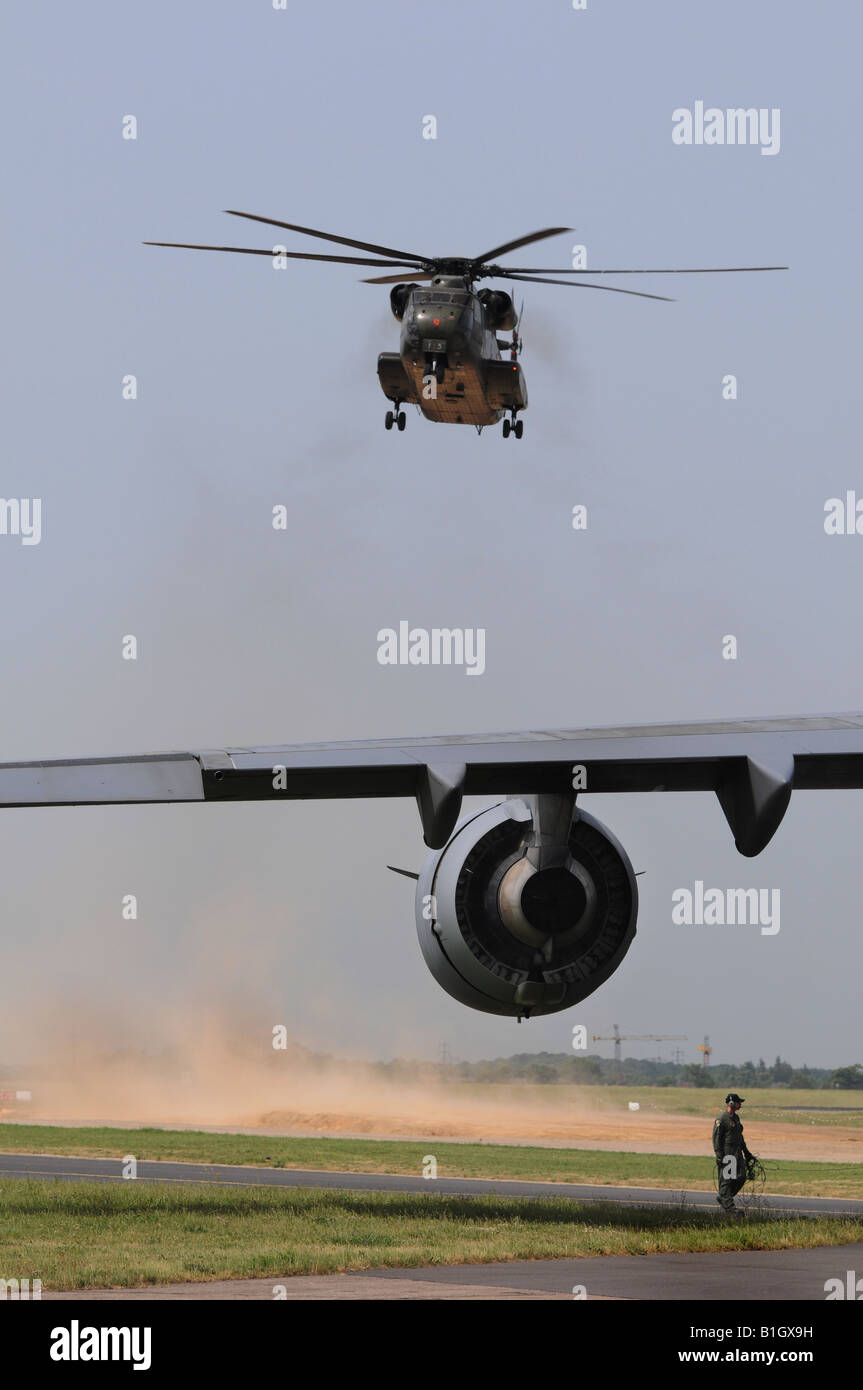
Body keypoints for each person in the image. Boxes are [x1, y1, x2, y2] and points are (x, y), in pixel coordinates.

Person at [712, 1092, 754, 1216]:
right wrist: (719, 1155)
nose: (740, 1104)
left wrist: (746, 1152)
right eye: (738, 1102)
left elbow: (739, 1137)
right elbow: (717, 1138)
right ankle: (730, 1207)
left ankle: (725, 1197)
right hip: (727, 1154)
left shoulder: (736, 1118)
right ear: (731, 1103)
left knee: (741, 1177)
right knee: (726, 1180)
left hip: (737, 1153)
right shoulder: (721, 1119)